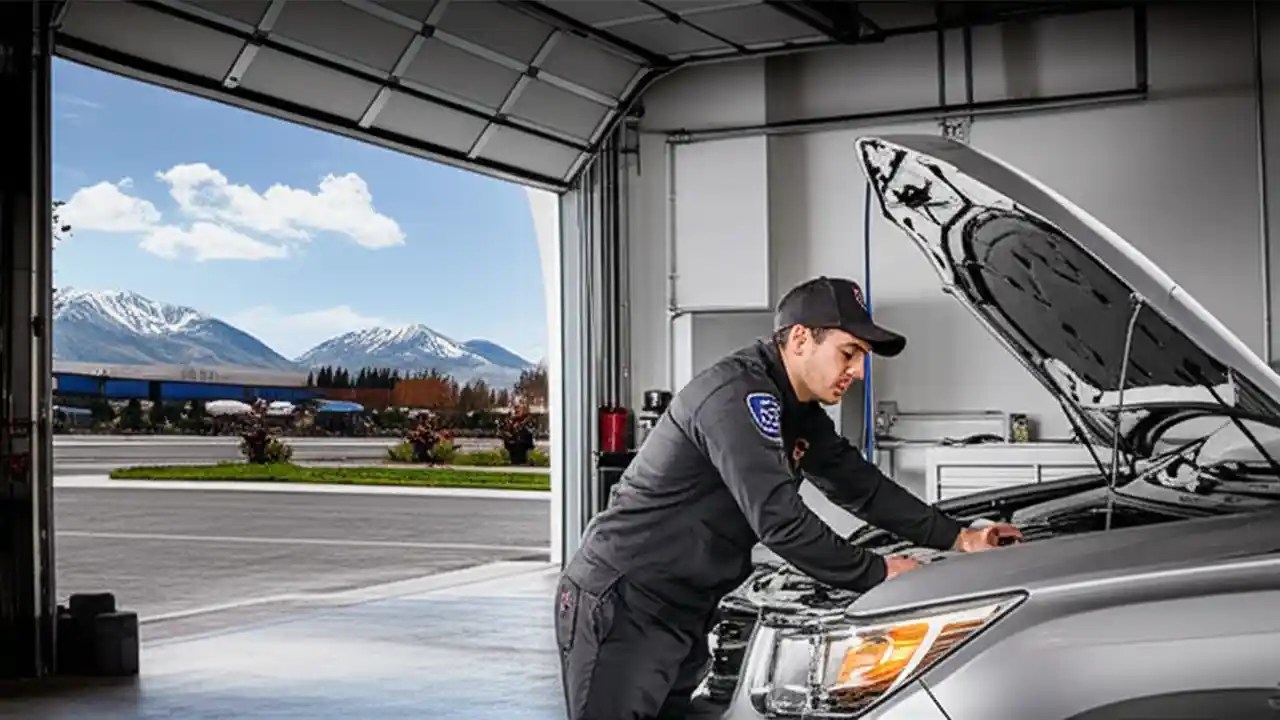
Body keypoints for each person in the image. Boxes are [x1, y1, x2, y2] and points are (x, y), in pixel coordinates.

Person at [554, 276, 1023, 720]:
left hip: (683, 608)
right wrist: (877, 571)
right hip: (624, 602)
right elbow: (779, 521)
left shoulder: (797, 409)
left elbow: (861, 485)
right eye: (849, 353)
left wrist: (960, 537)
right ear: (800, 340)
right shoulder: (737, 396)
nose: (858, 372)